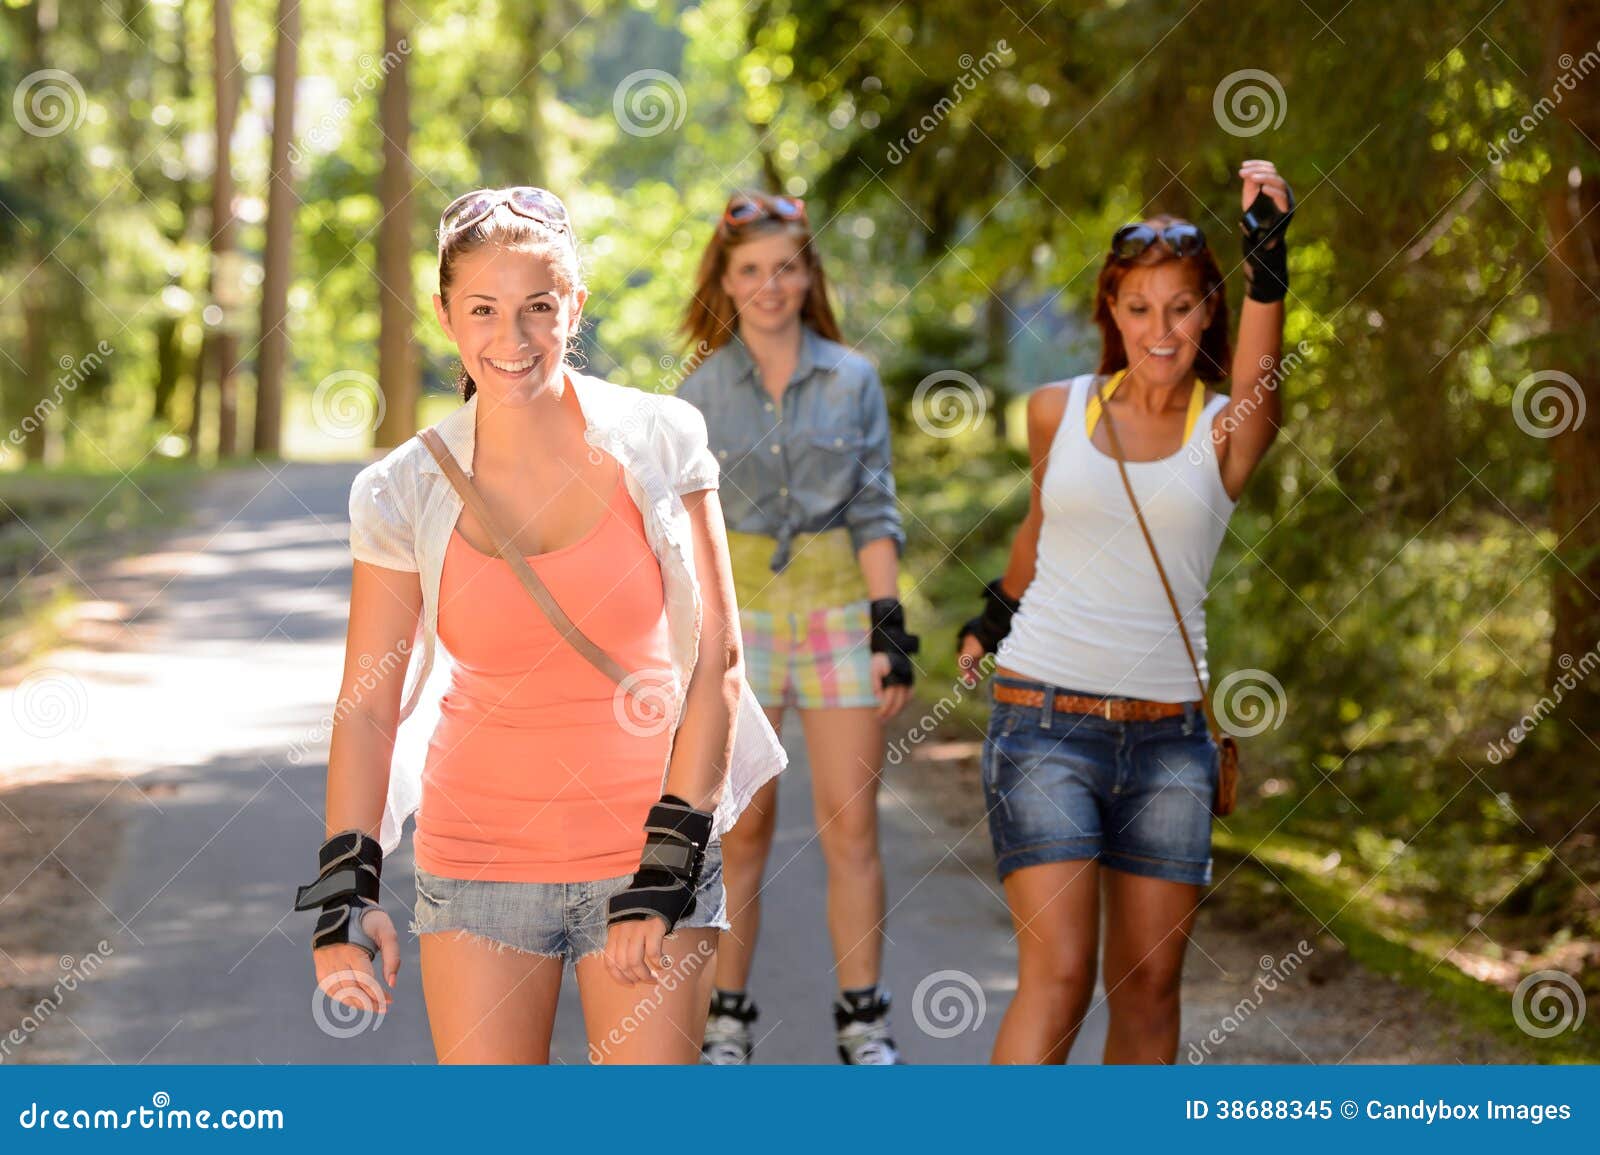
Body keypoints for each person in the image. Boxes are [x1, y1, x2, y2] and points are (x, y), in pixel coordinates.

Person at [293, 186, 785, 1064]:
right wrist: (344, 892)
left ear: (575, 307)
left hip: (646, 850)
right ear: (446, 315)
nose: (511, 340)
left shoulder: (660, 438)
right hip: (475, 861)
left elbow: (717, 661)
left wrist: (668, 862)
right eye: (483, 309)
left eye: (538, 308)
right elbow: (365, 705)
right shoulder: (404, 488)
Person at [957, 160, 1293, 1064]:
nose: (1160, 329)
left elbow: (1267, 377)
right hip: (1042, 721)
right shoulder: (1053, 411)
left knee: (1146, 990)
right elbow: (1037, 527)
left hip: (1172, 742)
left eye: (1181, 307)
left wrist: (1269, 261)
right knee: (1060, 976)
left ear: (1208, 313)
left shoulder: (1225, 427)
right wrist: (991, 618)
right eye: (1138, 308)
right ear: (1110, 311)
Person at [674, 191, 920, 1064]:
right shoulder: (697, 392)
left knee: (851, 826)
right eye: (751, 271)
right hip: (738, 622)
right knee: (741, 829)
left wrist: (889, 625)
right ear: (727, 282)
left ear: (809, 274)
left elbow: (874, 504)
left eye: (786, 267)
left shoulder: (851, 378)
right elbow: (678, 526)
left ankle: (863, 1019)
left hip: (836, 615)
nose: (770, 285)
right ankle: (726, 1018)